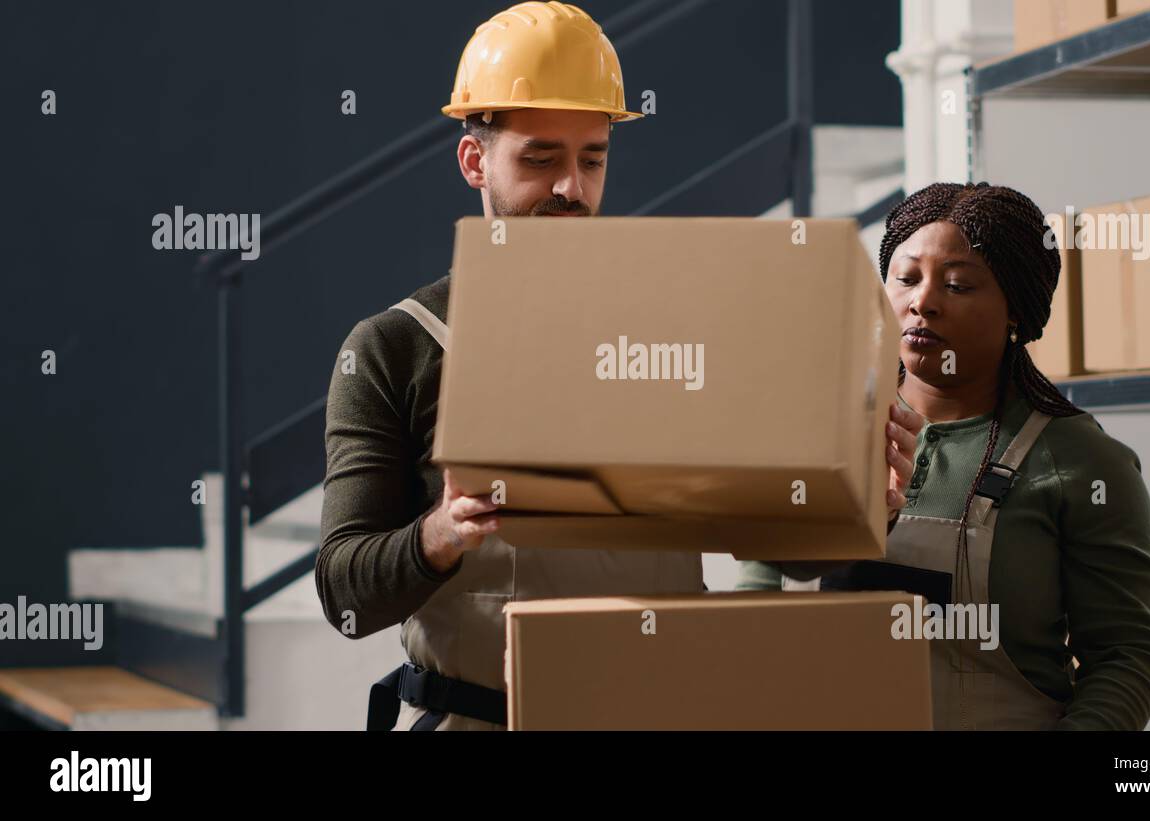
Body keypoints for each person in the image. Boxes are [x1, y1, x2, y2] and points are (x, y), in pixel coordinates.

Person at [316, 0, 924, 731]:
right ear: (475, 159)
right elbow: (345, 593)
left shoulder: (682, 331)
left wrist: (864, 499)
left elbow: (778, 552)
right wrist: (442, 530)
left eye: (592, 157)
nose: (572, 187)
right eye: (541, 157)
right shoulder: (395, 348)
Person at [738, 182, 1150, 731]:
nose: (923, 302)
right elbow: (758, 585)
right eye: (906, 278)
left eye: (959, 284)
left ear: (1017, 308)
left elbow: (1125, 656)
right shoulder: (821, 430)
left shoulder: (1080, 462)